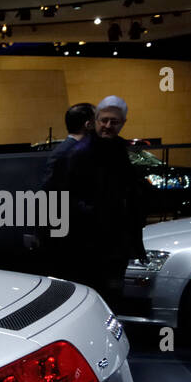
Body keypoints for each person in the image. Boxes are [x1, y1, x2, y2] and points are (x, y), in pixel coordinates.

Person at [55, 95, 147, 309]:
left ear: (123, 123)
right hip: (88, 240)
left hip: (112, 239)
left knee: (109, 295)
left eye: (114, 122)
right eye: (104, 120)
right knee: (93, 296)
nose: (107, 125)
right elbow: (64, 195)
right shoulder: (79, 153)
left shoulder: (117, 150)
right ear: (95, 120)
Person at [41, 102, 96, 190]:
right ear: (88, 125)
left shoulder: (88, 148)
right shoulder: (62, 153)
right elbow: (51, 192)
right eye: (97, 121)